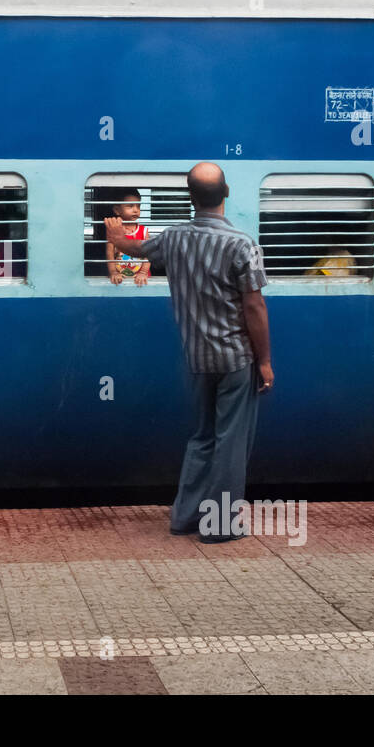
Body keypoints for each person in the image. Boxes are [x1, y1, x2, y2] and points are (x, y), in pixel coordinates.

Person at [106, 162, 272, 544]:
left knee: (201, 437)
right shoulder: (241, 244)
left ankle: (185, 517)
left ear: (190, 197)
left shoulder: (174, 238)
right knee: (231, 441)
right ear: (226, 193)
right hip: (234, 358)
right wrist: (263, 361)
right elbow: (254, 308)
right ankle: (220, 525)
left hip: (196, 358)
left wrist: (115, 235)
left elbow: (135, 247)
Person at [107, 188, 150, 285]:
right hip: (119, 277)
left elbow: (148, 255)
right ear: (117, 210)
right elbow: (110, 254)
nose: (136, 210)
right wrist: (113, 272)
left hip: (140, 278)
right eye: (130, 206)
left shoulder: (143, 231)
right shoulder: (114, 230)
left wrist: (143, 273)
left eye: (138, 206)